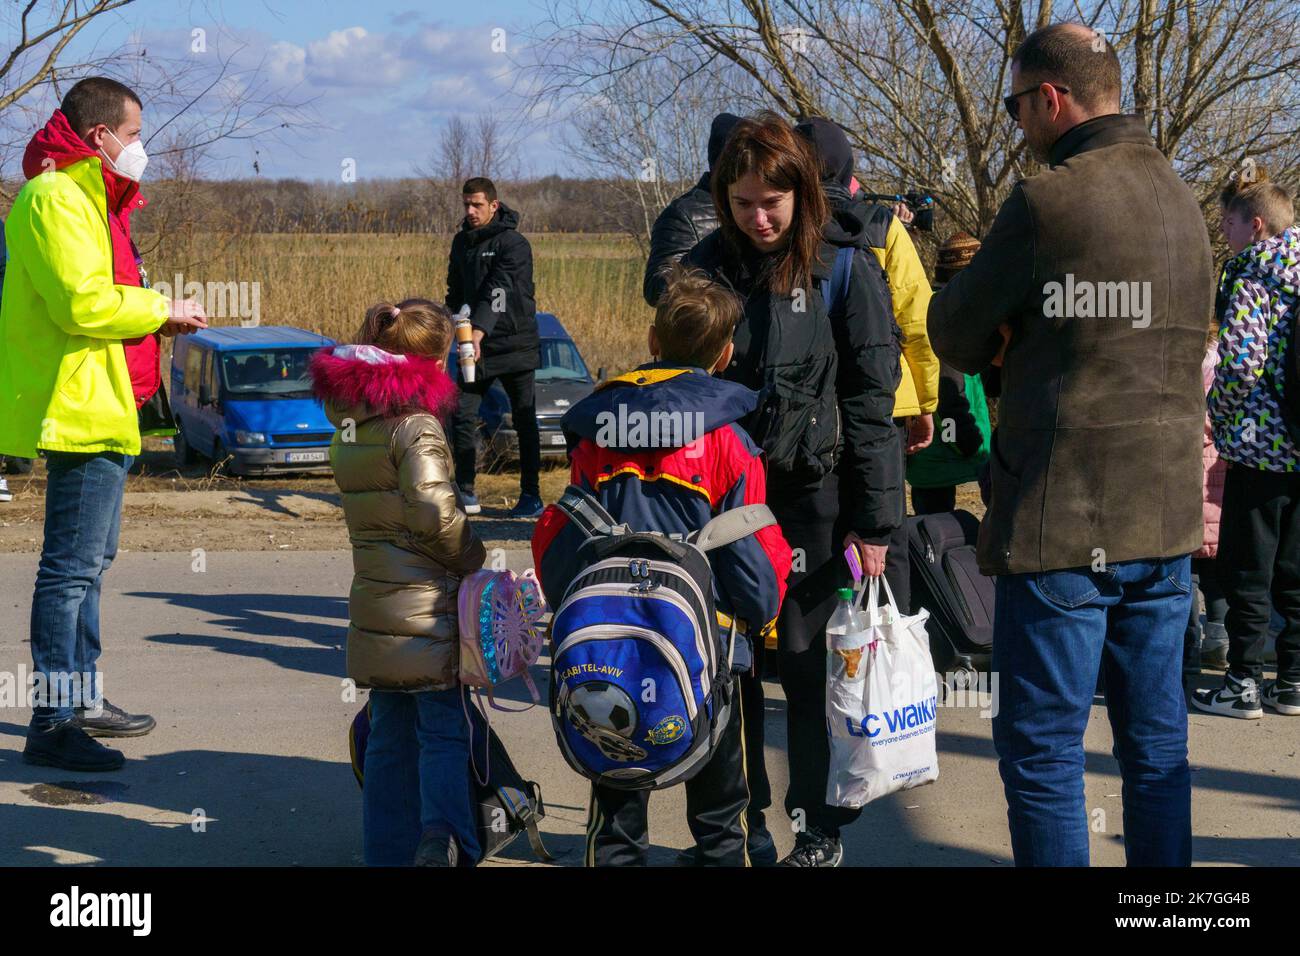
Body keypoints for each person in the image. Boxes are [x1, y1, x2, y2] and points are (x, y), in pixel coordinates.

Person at [928, 23, 1212, 866]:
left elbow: (955, 332)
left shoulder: (1049, 200)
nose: (1017, 123)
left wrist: (1008, 328)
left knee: (1046, 754)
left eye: (1018, 106)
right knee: (1157, 749)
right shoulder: (1183, 201)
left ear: (1050, 99)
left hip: (1064, 520)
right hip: (1164, 521)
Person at [684, 112, 903, 867]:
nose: (759, 217)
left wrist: (875, 523)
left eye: (771, 201)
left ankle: (818, 828)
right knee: (724, 667)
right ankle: (738, 826)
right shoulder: (709, 265)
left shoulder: (847, 266)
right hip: (726, 504)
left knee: (808, 673)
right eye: (743, 203)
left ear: (802, 191)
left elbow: (875, 404)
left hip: (818, 504)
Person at [531, 264, 793, 866]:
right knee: (724, 801)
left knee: (616, 776)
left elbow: (569, 533)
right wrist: (761, 616)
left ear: (652, 342)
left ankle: (619, 856)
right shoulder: (730, 438)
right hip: (713, 643)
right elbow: (749, 552)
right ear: (726, 356)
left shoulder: (596, 427)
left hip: (611, 640)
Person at [0, 77, 207, 772]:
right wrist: (159, 309)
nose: (141, 148)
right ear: (99, 137)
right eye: (136, 134)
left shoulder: (91, 199)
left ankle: (81, 698)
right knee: (68, 572)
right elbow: (81, 304)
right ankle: (55, 720)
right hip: (78, 409)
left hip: (105, 405)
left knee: (88, 568)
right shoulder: (55, 197)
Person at [309, 299, 487, 866]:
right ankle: (444, 840)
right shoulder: (417, 426)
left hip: (376, 601)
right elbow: (435, 516)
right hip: (427, 609)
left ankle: (387, 850)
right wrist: (474, 559)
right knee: (442, 730)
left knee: (388, 734)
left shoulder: (351, 423)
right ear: (432, 362)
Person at [795, 116, 939, 608]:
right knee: (885, 535)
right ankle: (884, 649)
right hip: (884, 407)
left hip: (809, 413)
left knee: (816, 536)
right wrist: (926, 401)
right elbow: (916, 319)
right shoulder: (881, 225)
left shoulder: (788, 226)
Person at [1195, 181, 1300, 718]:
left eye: (1229, 223)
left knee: (1248, 570)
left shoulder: (1252, 277)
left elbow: (1240, 364)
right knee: (1294, 568)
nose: (1224, 232)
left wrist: (1221, 412)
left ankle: (1242, 684)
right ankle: (1294, 682)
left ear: (1255, 225)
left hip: (1260, 448)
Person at [446, 176, 543, 518]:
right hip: (474, 344)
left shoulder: (513, 243)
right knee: (462, 414)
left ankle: (531, 495)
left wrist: (479, 331)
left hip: (514, 344)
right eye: (466, 205)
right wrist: (457, 327)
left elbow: (499, 292)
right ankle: (466, 491)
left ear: (493, 205)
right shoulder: (461, 243)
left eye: (477, 205)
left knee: (524, 418)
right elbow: (455, 293)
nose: (471, 211)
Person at [907, 232, 991, 514]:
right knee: (952, 543)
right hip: (949, 452)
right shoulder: (951, 318)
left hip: (929, 461)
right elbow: (948, 393)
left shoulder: (927, 308)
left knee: (930, 540)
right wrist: (972, 444)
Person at [642, 112, 742, 307]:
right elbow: (656, 289)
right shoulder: (684, 215)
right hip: (710, 333)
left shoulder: (760, 208)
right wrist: (715, 249)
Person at [1184, 311, 1229, 686]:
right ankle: (1219, 636)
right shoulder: (1222, 356)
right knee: (1217, 562)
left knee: (1187, 566)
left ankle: (1189, 649)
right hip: (1218, 464)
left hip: (1184, 461)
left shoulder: (1180, 356)